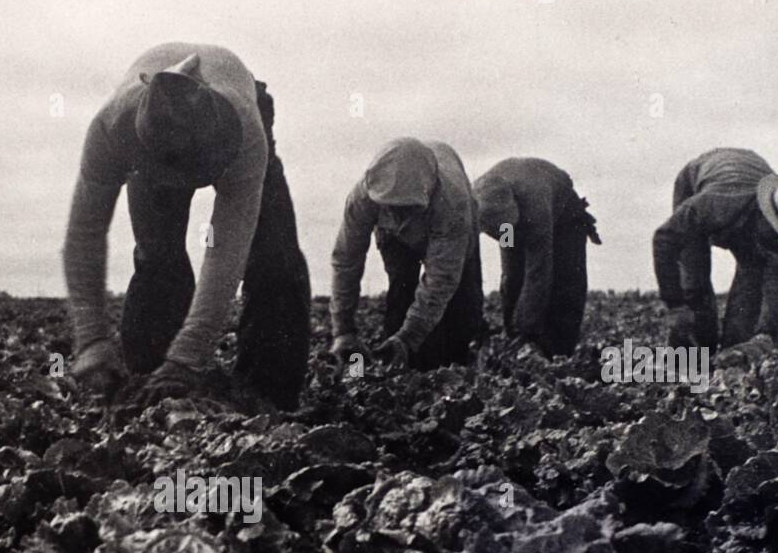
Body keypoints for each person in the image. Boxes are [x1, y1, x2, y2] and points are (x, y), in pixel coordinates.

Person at [63, 44, 310, 409]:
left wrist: (188, 355)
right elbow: (85, 233)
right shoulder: (111, 128)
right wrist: (90, 339)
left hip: (240, 109)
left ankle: (266, 396)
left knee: (275, 258)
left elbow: (227, 246)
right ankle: (151, 388)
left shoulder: (244, 133)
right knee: (157, 258)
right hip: (151, 133)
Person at [330, 137, 485, 371]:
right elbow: (346, 261)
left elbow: (441, 279)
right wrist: (343, 331)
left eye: (405, 208)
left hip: (449, 223)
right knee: (401, 289)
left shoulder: (454, 203)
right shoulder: (363, 197)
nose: (399, 217)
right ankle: (396, 363)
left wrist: (410, 337)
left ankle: (457, 368)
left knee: (462, 302)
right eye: (390, 207)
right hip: (393, 235)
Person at [653, 148, 778, 355]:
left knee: (750, 290)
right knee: (695, 283)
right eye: (774, 228)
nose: (776, 237)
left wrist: (766, 334)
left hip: (745, 183)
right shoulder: (716, 203)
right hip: (699, 179)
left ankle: (729, 355)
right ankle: (687, 360)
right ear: (763, 211)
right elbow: (665, 239)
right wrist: (675, 304)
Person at [472, 157, 600, 356]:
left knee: (564, 282)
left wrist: (525, 330)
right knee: (514, 272)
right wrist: (510, 329)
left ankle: (558, 352)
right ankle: (516, 336)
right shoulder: (484, 201)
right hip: (513, 217)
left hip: (565, 217)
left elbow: (538, 271)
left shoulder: (535, 204)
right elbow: (510, 272)